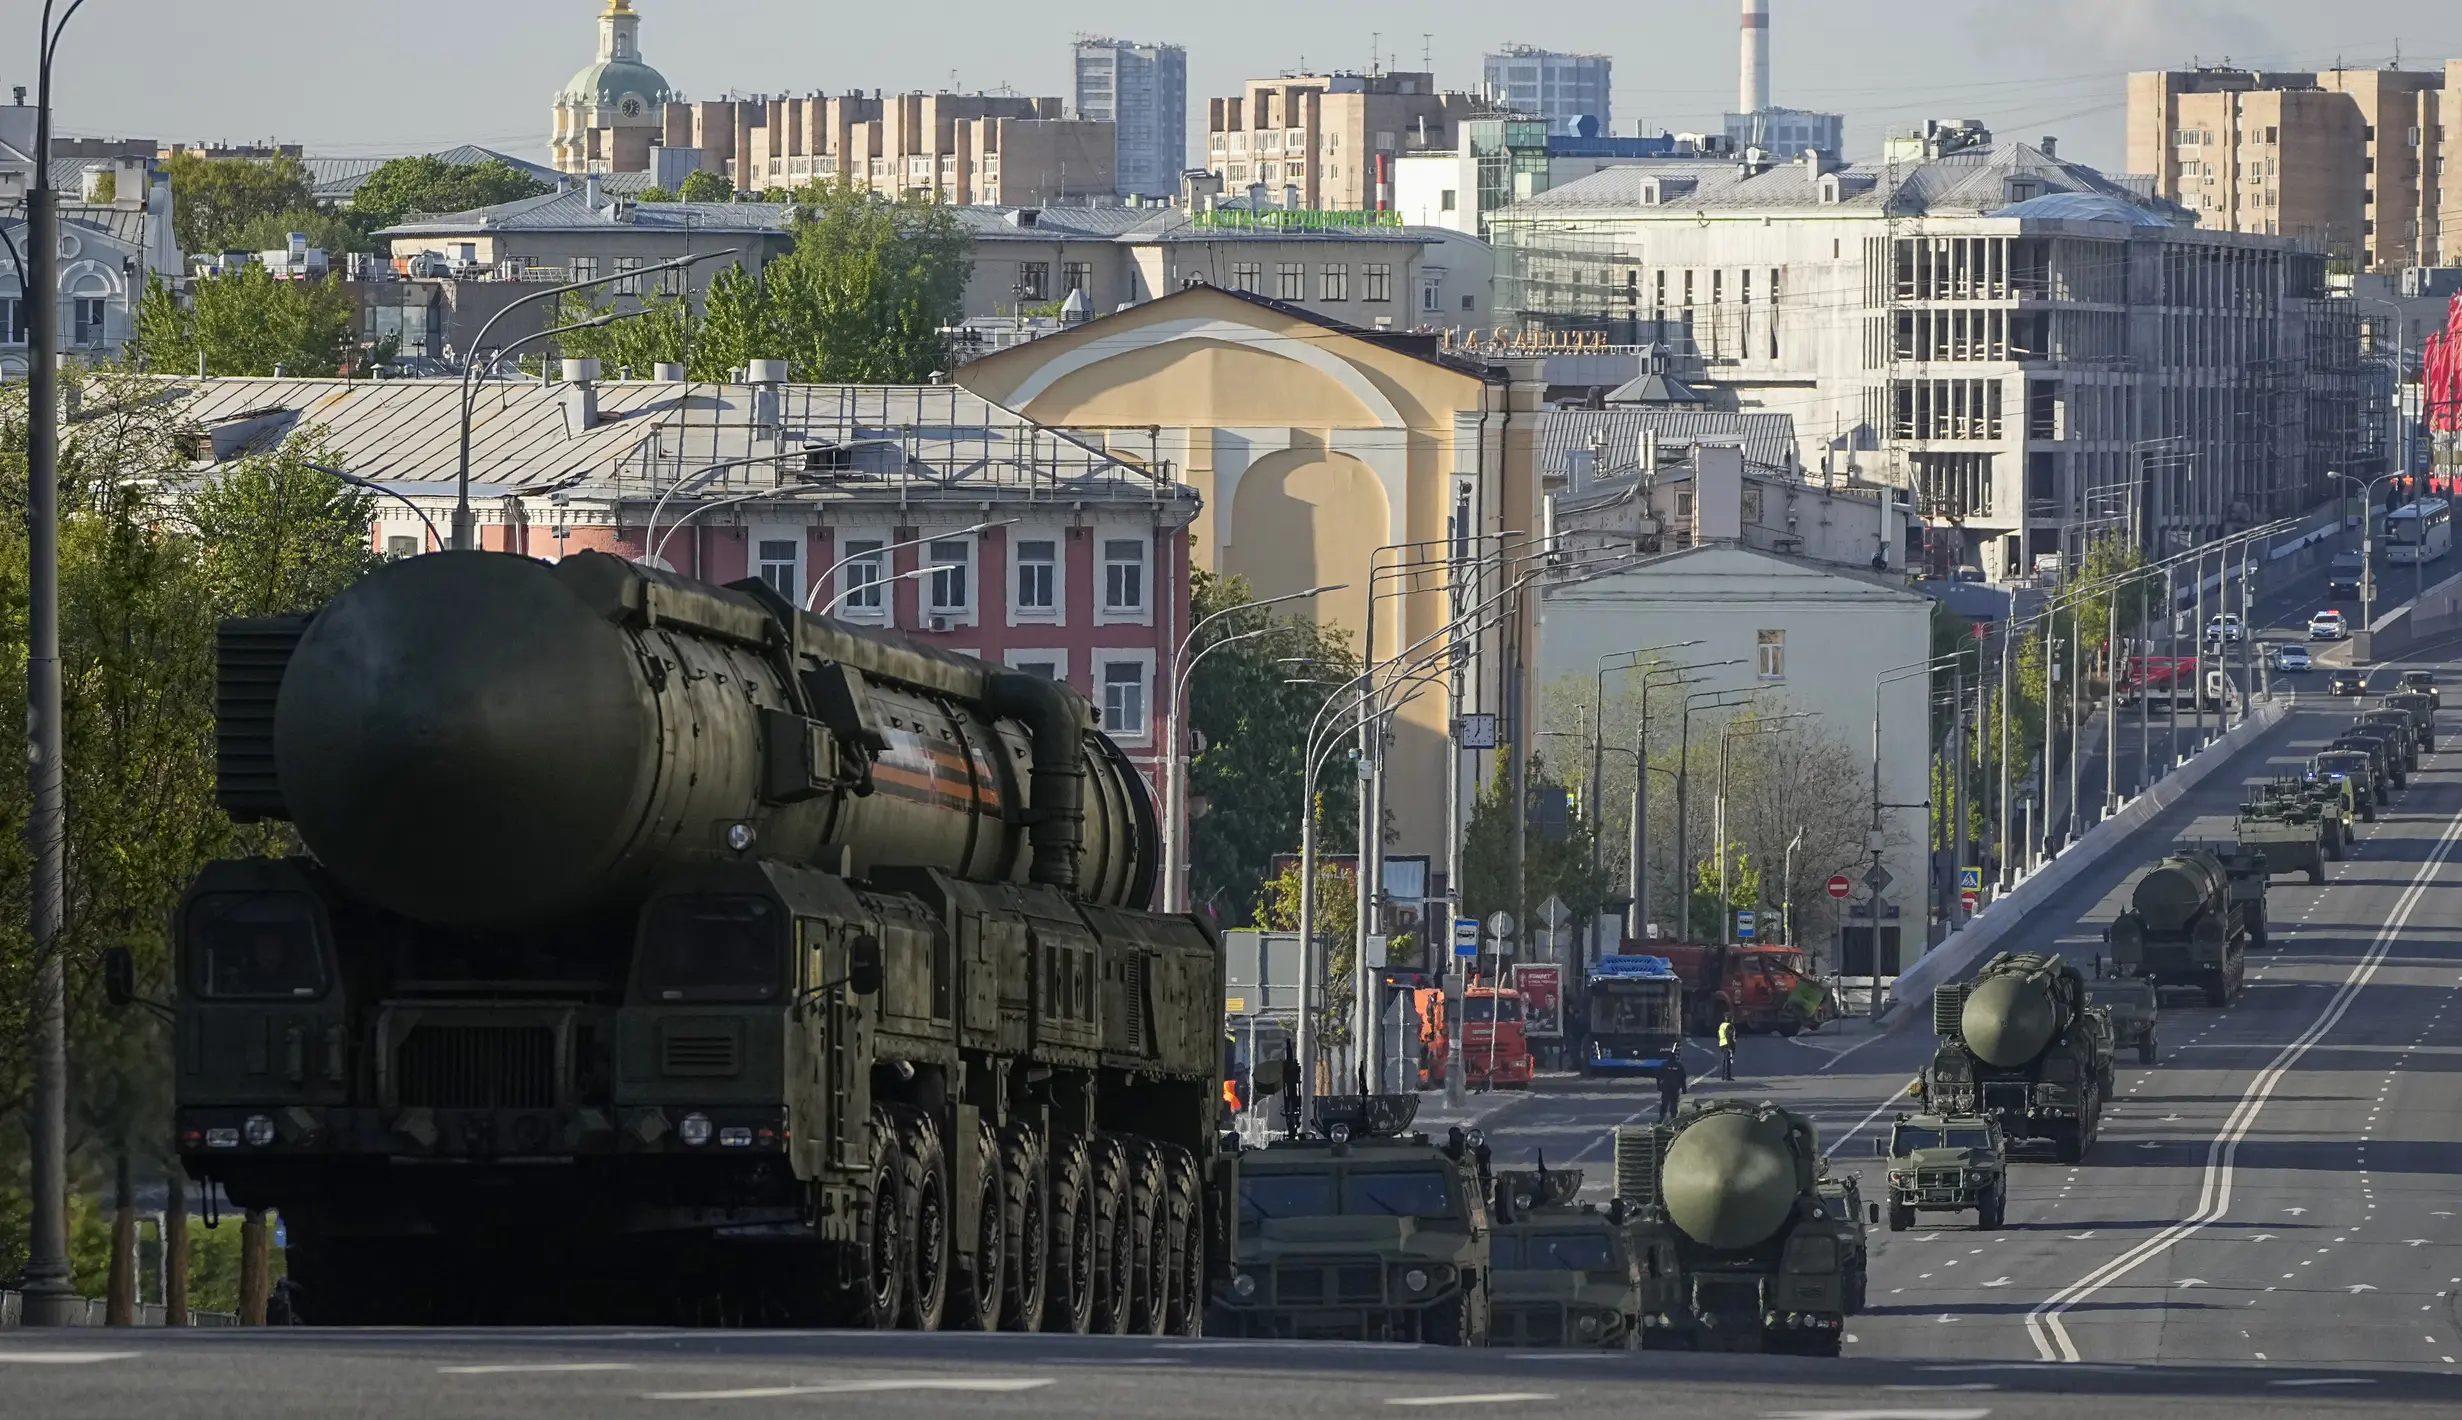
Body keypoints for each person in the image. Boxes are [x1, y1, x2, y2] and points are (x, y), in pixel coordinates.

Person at [1656, 1056, 1687, 1122]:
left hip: (1665, 1086)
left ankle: (1661, 1117)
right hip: (1675, 1087)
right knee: (1674, 1103)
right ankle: (1673, 1118)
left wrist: (1659, 1086)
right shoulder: (1679, 1065)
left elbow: (1658, 1076)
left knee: (1664, 1102)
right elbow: (1683, 1078)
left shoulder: (1664, 1065)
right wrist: (1684, 1088)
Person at [1717, 1015, 1738, 1081]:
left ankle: (1723, 1076)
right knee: (1728, 1061)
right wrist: (1731, 1047)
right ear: (1730, 1019)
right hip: (1727, 1044)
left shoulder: (1722, 1025)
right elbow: (1729, 1037)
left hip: (1722, 1043)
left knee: (1724, 1060)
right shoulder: (1729, 1026)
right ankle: (1727, 1076)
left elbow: (1719, 1034)